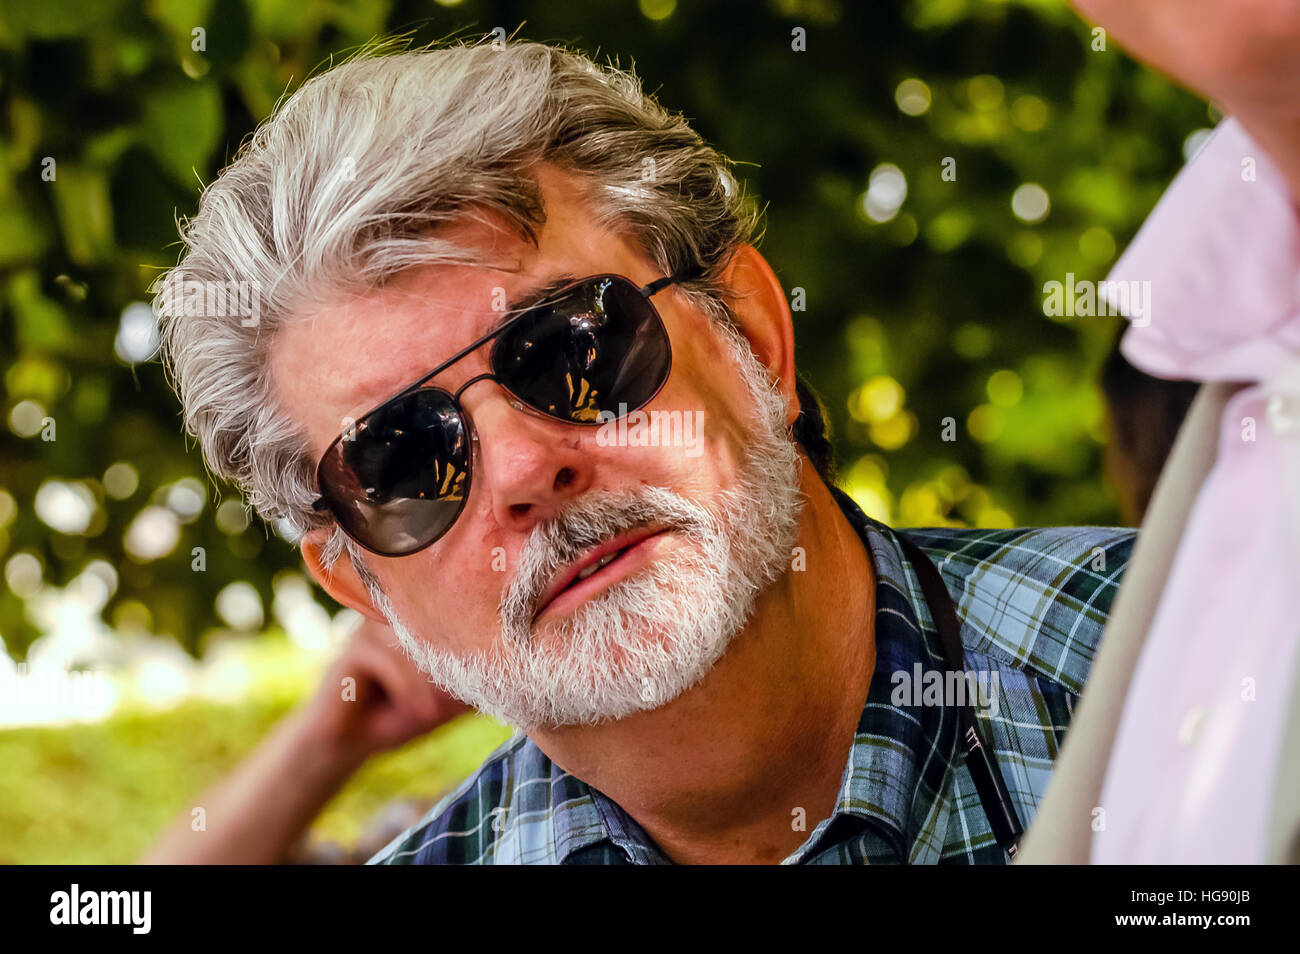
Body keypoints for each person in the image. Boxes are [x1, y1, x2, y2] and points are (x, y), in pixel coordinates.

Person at [145, 0, 1296, 862]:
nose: (525, 469)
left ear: (752, 329)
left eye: (573, 349)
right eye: (401, 460)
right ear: (356, 582)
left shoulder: (1223, 658)